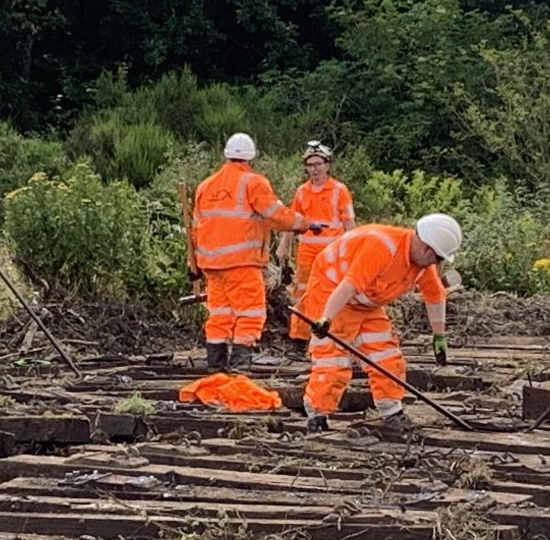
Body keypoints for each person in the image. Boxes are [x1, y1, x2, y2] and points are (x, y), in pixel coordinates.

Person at [302, 214, 462, 433]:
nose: (437, 264)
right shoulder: (382, 247)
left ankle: (391, 410)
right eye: (437, 258)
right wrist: (326, 318)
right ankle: (317, 416)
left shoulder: (423, 266)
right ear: (426, 248)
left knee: (386, 355)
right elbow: (348, 286)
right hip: (332, 290)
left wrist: (439, 335)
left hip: (366, 301)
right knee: (333, 360)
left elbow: (434, 295)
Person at [192, 132, 320, 372]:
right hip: (242, 263)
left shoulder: (205, 186)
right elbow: (277, 215)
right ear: (251, 158)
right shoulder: (253, 182)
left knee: (219, 314)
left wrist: (197, 263)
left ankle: (216, 368)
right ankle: (240, 370)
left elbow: (196, 228)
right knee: (249, 314)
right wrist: (305, 224)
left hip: (211, 264)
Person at [275, 141, 356, 356]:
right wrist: (283, 246)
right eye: (310, 165)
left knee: (334, 294)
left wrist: (352, 250)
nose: (314, 169)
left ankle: (336, 337)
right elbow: (292, 221)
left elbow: (349, 223)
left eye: (318, 164)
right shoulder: (302, 192)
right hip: (307, 253)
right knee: (303, 294)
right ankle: (299, 339)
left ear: (327, 165)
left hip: (333, 253)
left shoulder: (340, 191)